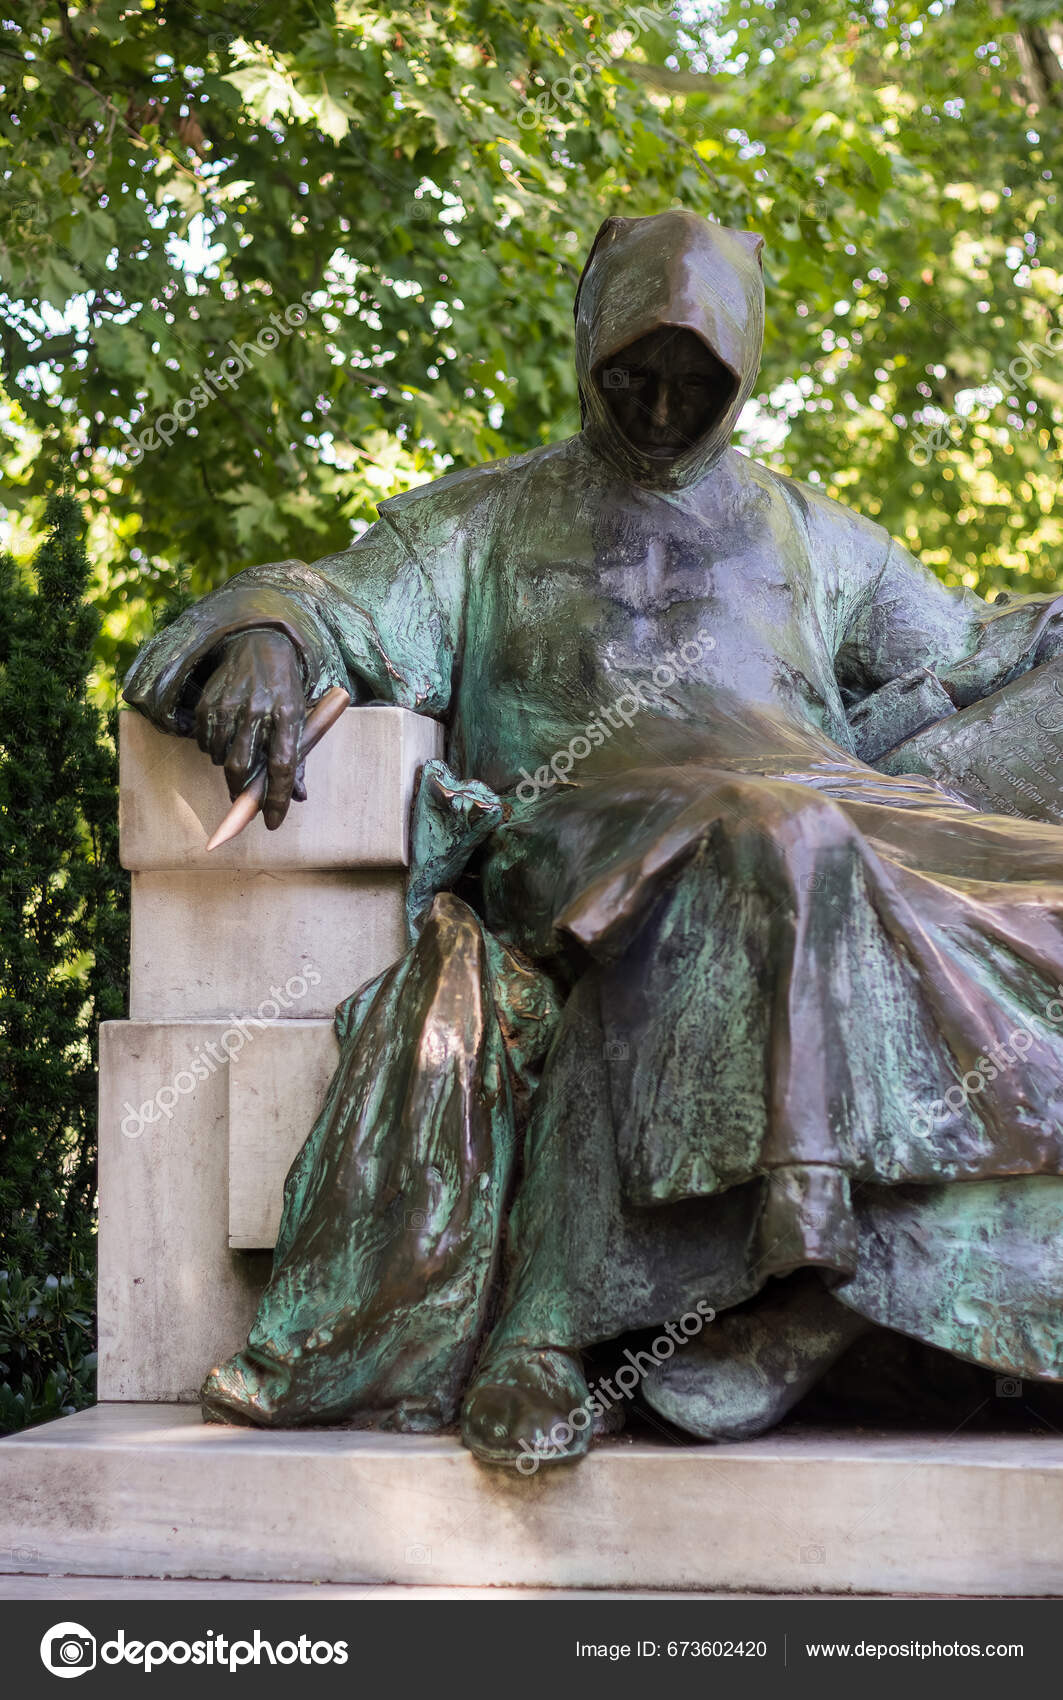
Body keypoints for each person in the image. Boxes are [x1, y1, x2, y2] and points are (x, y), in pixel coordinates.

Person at [125, 209, 1063, 1465]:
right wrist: (264, 637)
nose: (663, 409)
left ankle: (873, 1296)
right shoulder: (477, 522)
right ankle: (784, 1256)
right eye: (634, 375)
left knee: (868, 844)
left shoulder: (813, 532)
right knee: (780, 832)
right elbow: (322, 597)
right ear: (585, 343)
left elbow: (971, 646)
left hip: (821, 809)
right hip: (581, 828)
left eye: (698, 382)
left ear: (746, 371)